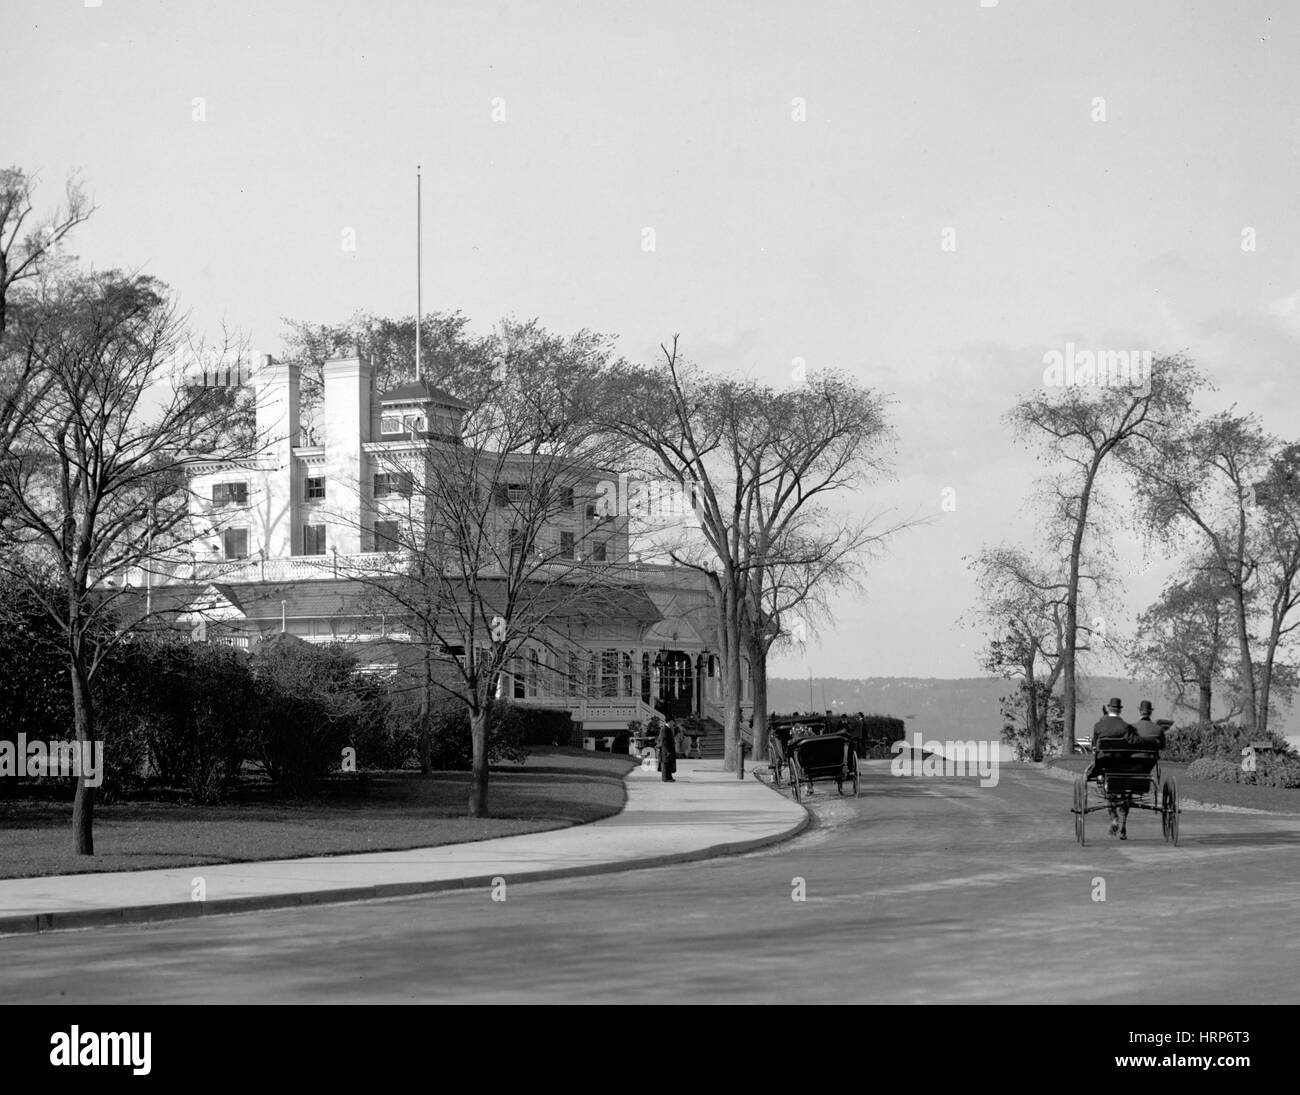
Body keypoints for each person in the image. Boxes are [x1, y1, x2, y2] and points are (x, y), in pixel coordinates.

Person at [1089, 697, 1134, 838]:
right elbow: (1130, 746)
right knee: (1126, 792)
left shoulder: (1098, 726)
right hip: (1122, 765)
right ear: (1120, 710)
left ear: (1109, 709)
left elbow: (1094, 746)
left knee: (1108, 791)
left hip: (1105, 765)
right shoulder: (1126, 727)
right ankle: (1123, 826)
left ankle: (1114, 818)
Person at [657, 718, 677, 782]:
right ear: (669, 721)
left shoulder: (669, 729)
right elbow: (663, 741)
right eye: (672, 722)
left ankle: (669, 777)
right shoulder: (664, 729)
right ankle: (665, 778)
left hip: (669, 749)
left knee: (669, 763)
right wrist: (667, 751)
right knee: (665, 764)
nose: (673, 723)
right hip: (665, 749)